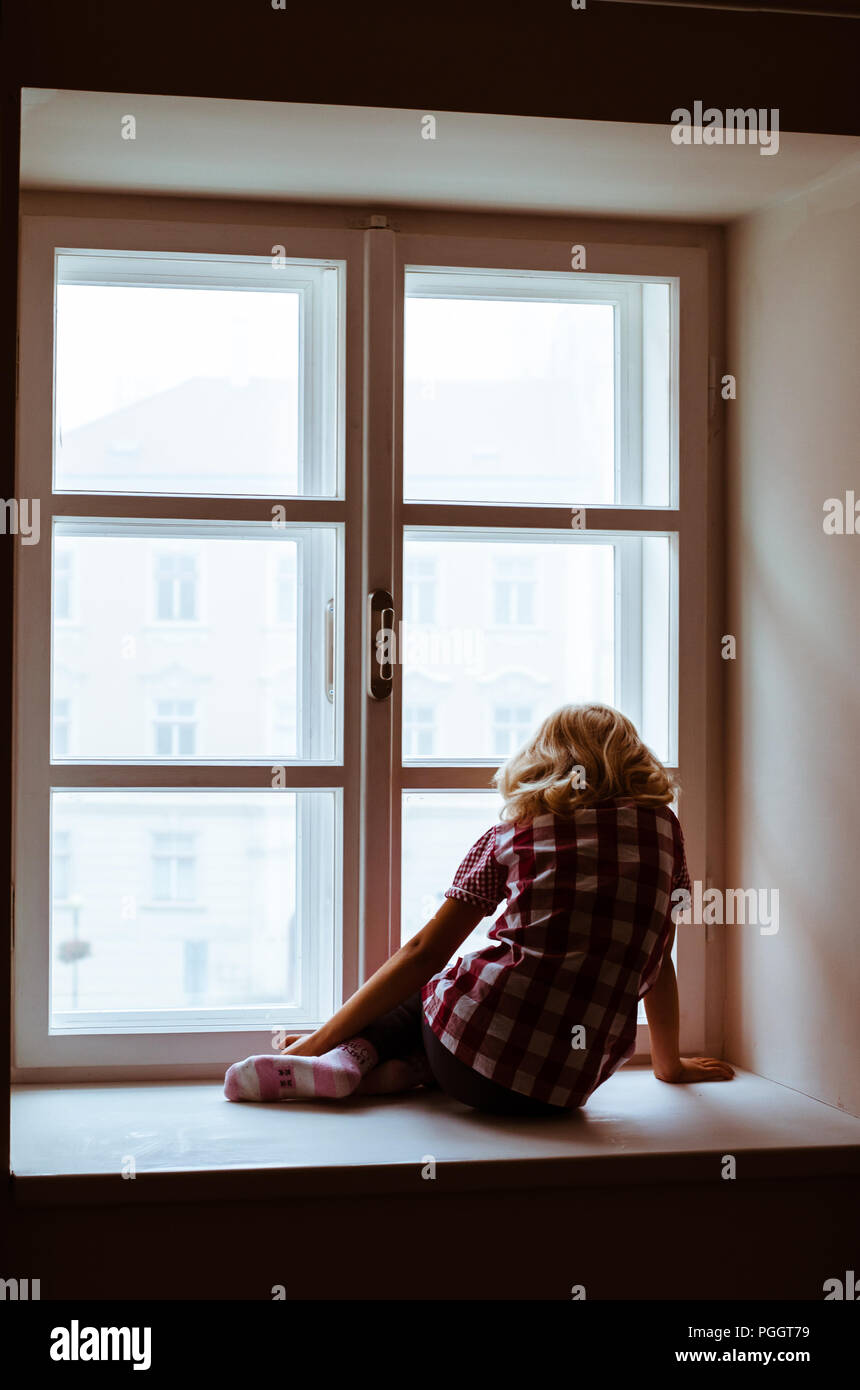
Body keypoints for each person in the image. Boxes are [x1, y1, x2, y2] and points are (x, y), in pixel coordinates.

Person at [224, 703, 734, 1114]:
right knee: (453, 1055)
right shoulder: (664, 833)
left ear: (542, 761)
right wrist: (671, 1067)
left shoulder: (517, 835)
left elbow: (426, 951)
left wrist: (312, 1040)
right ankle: (385, 1074)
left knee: (424, 1001)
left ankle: (347, 1056)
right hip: (562, 1088)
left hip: (466, 1059)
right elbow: (658, 957)